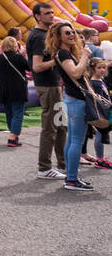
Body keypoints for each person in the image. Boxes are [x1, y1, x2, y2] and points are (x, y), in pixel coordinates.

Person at [46, 21, 93, 191]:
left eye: (72, 31)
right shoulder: (64, 53)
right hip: (76, 101)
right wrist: (85, 56)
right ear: (59, 37)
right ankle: (72, 179)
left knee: (72, 139)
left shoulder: (64, 52)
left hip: (71, 99)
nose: (72, 34)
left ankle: (70, 175)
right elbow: (74, 72)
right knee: (76, 141)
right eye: (67, 33)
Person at [26, 2, 65, 180]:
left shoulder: (46, 34)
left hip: (55, 85)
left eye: (52, 12)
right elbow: (37, 66)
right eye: (47, 13)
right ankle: (44, 168)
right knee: (50, 127)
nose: (52, 15)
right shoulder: (38, 37)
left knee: (62, 125)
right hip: (48, 87)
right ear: (38, 16)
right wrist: (57, 60)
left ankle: (64, 163)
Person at [0, 35, 30, 147]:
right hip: (18, 89)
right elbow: (29, 68)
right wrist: (23, 55)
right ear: (15, 46)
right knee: (18, 113)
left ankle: (14, 135)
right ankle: (12, 138)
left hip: (3, 90)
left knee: (9, 113)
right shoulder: (19, 58)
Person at [82, 58, 112, 169]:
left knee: (102, 134)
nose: (102, 70)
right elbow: (97, 100)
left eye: (104, 67)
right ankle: (100, 159)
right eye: (99, 68)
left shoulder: (101, 80)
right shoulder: (95, 82)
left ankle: (100, 158)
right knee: (100, 134)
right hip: (100, 113)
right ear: (93, 69)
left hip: (104, 111)